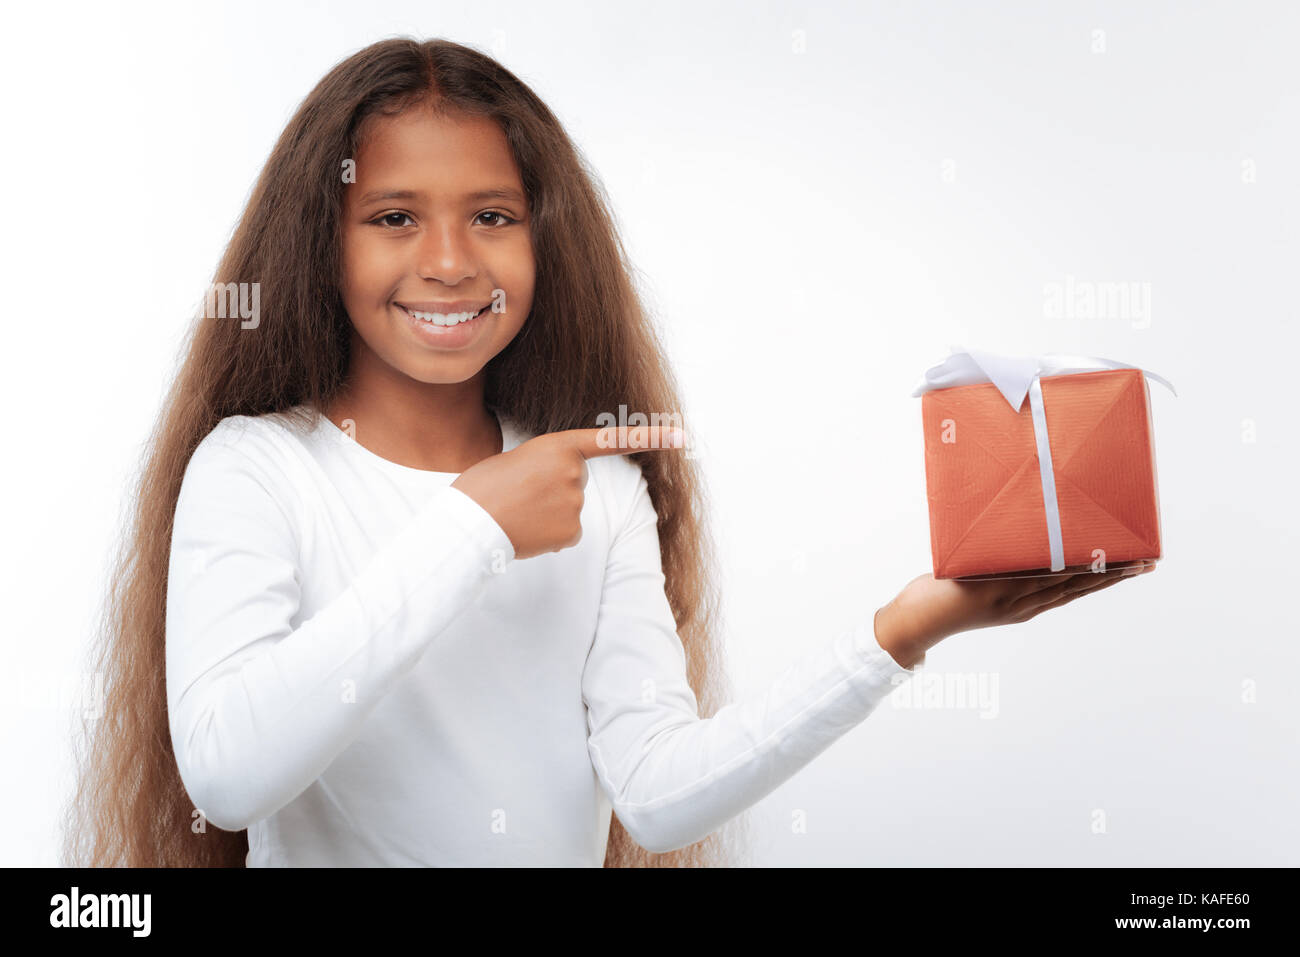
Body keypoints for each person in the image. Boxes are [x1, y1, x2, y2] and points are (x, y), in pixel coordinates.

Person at [61, 36, 1154, 868]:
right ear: (321, 238)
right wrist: (475, 527)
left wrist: (907, 631)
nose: (448, 260)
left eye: (493, 214)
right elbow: (230, 771)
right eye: (394, 217)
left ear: (545, 238)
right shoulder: (257, 471)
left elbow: (657, 793)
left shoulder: (601, 495)